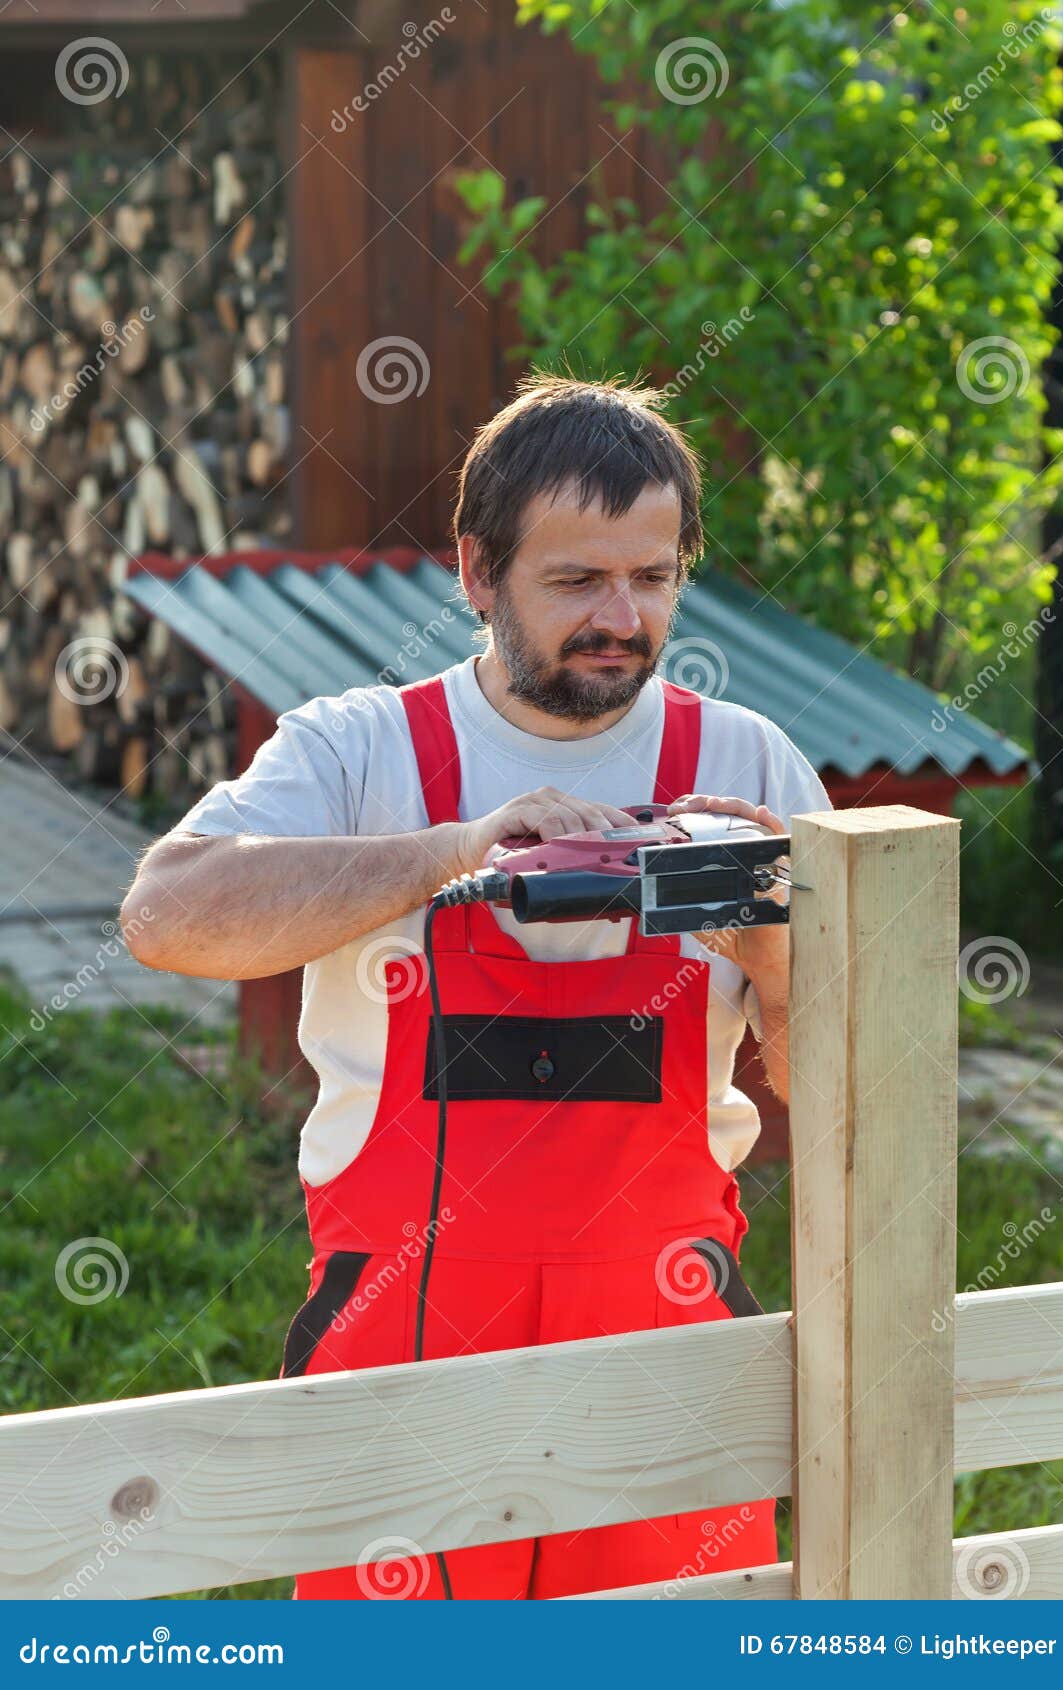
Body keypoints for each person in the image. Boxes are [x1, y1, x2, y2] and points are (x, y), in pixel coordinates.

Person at [121, 372, 830, 1600]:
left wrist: (770, 952)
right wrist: (457, 851)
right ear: (476, 571)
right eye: (575, 581)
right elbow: (166, 916)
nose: (622, 616)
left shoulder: (747, 763)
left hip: (662, 1335)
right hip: (401, 1326)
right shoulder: (359, 747)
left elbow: (856, 1097)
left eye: (653, 578)